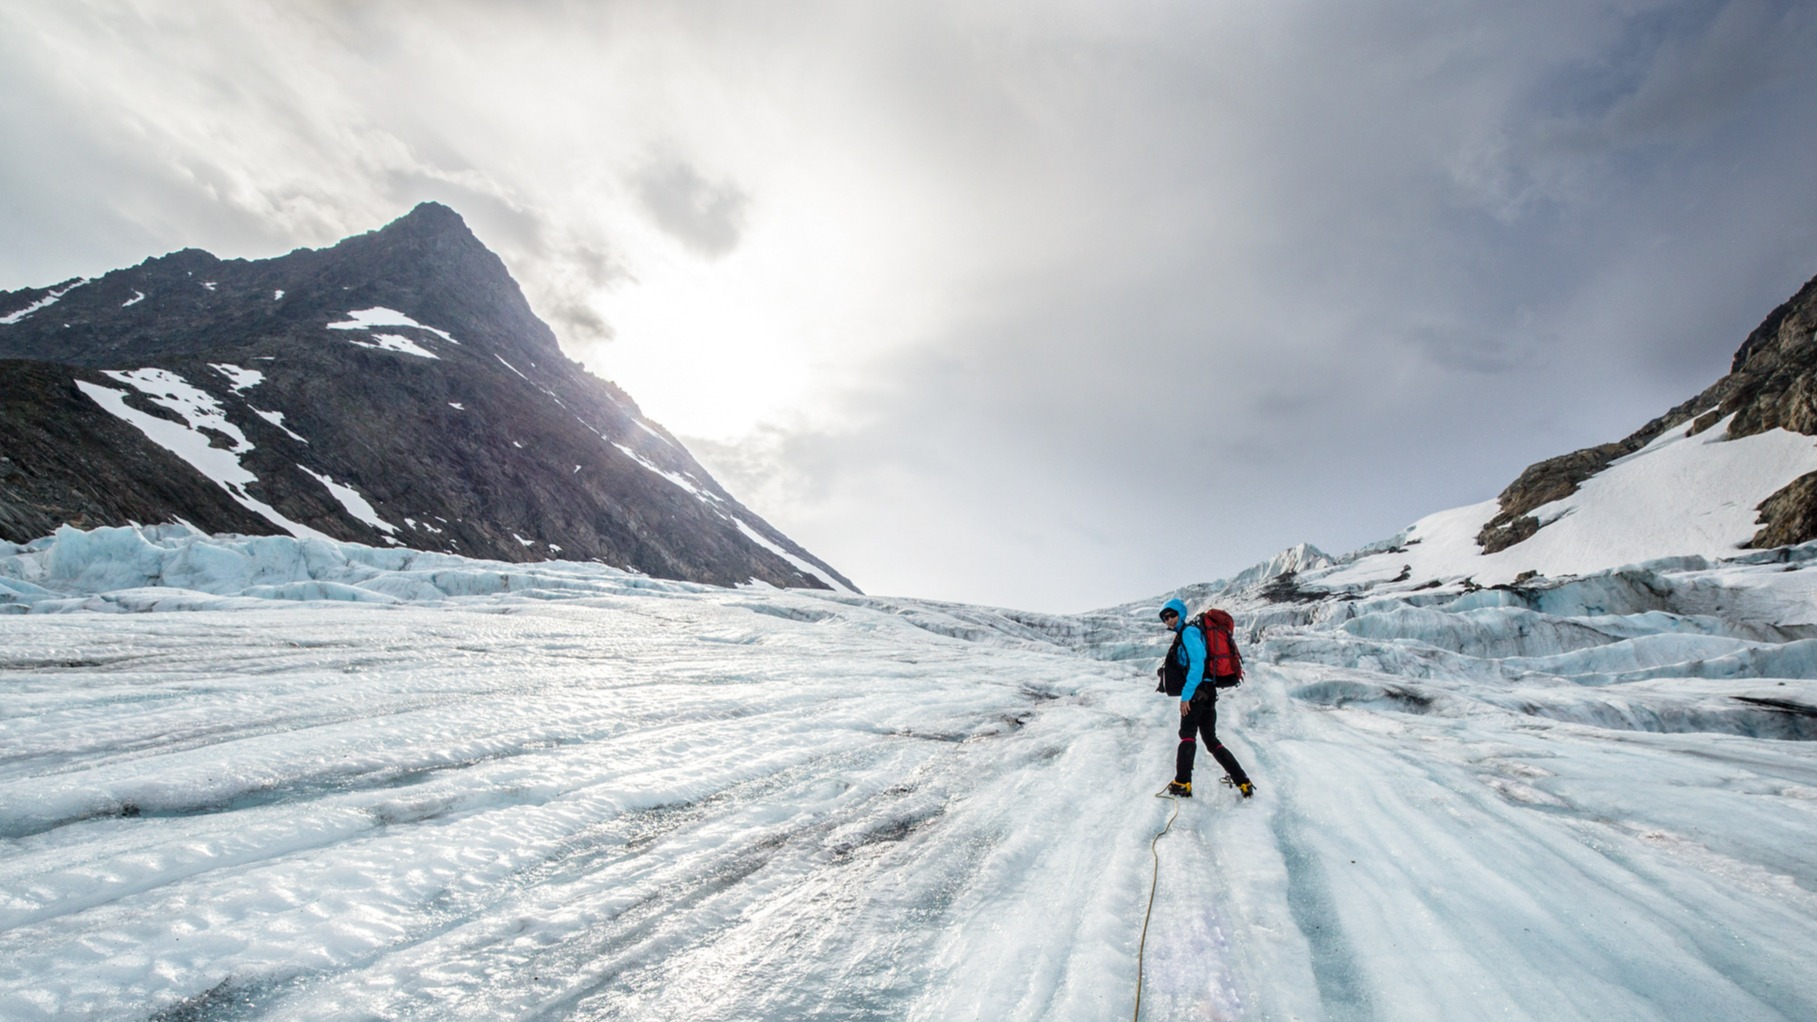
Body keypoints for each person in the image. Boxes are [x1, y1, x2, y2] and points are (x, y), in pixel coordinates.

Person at [1158, 598, 1254, 798]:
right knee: (1211, 741)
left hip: (1197, 692)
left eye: (1172, 615)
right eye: (1164, 617)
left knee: (1187, 735)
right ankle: (1243, 782)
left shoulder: (1189, 632)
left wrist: (1187, 695)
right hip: (1207, 691)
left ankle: (1182, 782)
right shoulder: (1189, 632)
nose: (1168, 620)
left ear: (1180, 614)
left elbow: (1197, 663)